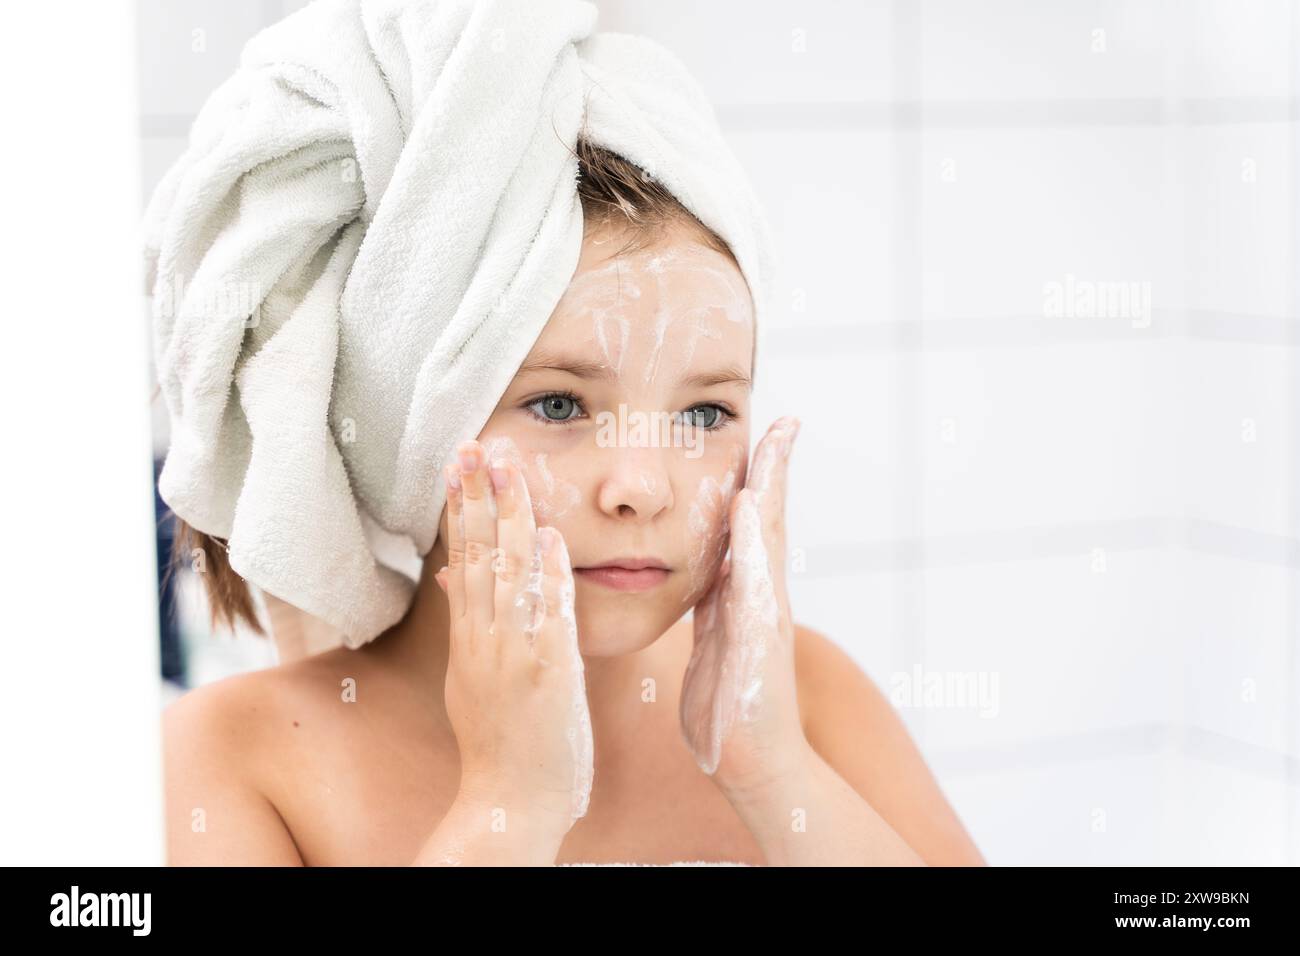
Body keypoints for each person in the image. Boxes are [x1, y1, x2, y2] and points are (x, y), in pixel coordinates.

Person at [161, 139, 986, 866]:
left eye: (703, 415)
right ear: (411, 434)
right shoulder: (234, 759)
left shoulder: (809, 699)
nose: (642, 486)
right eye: (559, 405)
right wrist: (509, 809)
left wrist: (774, 778)